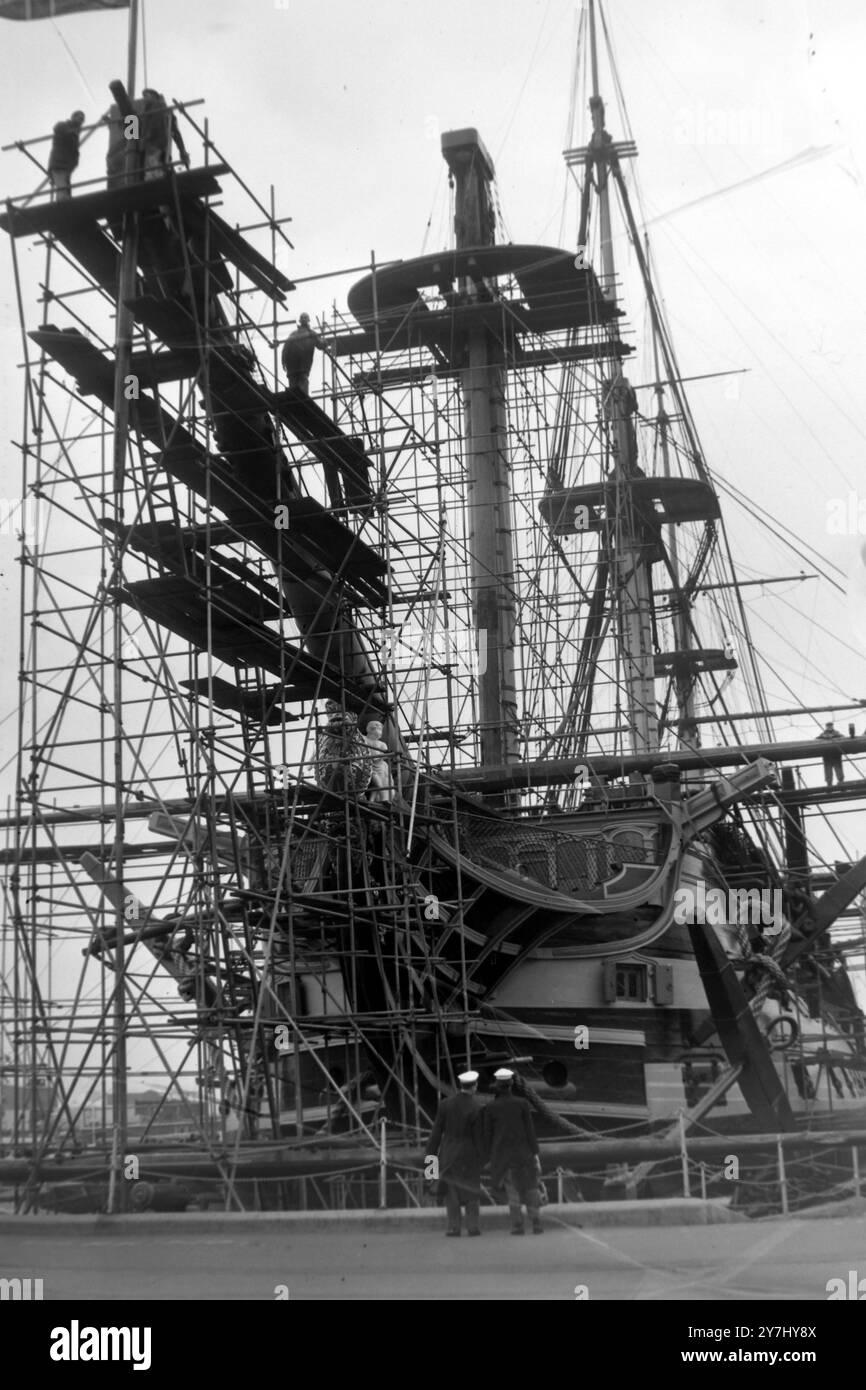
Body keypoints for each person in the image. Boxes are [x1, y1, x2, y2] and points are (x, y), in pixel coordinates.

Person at [483, 1067, 543, 1234]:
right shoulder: (522, 1104)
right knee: (531, 1188)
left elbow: (488, 1136)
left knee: (513, 1192)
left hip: (505, 1158)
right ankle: (536, 1223)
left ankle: (518, 1225)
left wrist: (489, 1157)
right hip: (525, 1155)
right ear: (511, 1085)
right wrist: (535, 1153)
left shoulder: (490, 1108)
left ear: (497, 1086)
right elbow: (530, 1132)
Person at [426, 1070, 484, 1237]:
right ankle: (473, 1227)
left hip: (449, 1152)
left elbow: (436, 1132)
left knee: (451, 1192)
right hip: (470, 1154)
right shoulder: (477, 1107)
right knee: (472, 1189)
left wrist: (429, 1155)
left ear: (460, 1086)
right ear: (474, 1086)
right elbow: (479, 1137)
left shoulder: (445, 1104)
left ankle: (454, 1227)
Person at [140, 88, 190, 179]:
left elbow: (133, 131)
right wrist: (182, 150)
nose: (144, 99)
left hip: (153, 147)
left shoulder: (154, 109)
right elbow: (175, 133)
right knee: (161, 171)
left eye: (146, 96)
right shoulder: (164, 110)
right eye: (143, 97)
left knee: (152, 175)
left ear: (154, 96)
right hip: (163, 148)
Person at [47, 110, 85, 201]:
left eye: (82, 120)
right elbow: (57, 128)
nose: (81, 121)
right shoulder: (64, 126)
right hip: (59, 164)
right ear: (73, 117)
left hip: (65, 166)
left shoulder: (74, 133)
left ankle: (63, 204)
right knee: (63, 190)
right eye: (79, 118)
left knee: (65, 189)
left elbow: (74, 151)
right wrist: (72, 132)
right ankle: (62, 205)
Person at [281, 313, 320, 393]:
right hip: (292, 364)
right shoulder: (293, 334)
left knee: (303, 380)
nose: (304, 319)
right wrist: (283, 360)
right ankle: (293, 397)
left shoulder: (312, 334)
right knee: (293, 382)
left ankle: (303, 398)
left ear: (308, 320)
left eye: (305, 317)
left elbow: (320, 344)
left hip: (304, 363)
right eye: (302, 318)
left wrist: (325, 341)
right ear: (300, 320)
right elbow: (286, 348)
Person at [364, 720, 394, 803]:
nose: (379, 730)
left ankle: (372, 800)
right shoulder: (364, 739)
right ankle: (384, 799)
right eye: (377, 727)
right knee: (377, 782)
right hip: (368, 764)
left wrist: (382, 756)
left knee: (378, 783)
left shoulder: (382, 744)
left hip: (379, 765)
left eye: (380, 728)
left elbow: (385, 755)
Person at [818, 721, 844, 788]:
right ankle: (829, 784)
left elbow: (843, 737)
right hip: (827, 755)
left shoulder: (837, 733)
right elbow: (816, 739)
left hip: (836, 754)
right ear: (826, 727)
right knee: (828, 770)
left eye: (830, 725)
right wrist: (824, 738)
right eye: (828, 726)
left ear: (832, 726)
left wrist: (834, 736)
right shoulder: (822, 734)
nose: (829, 727)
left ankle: (841, 782)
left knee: (838, 769)